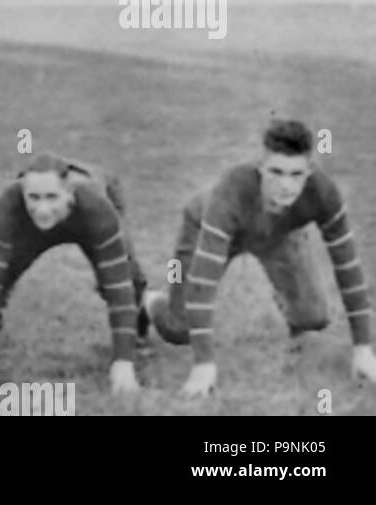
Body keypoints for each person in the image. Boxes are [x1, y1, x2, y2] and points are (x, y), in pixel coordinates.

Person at [144, 119, 376, 396]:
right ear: (260, 167)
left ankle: (290, 304)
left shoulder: (324, 193)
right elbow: (203, 282)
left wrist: (363, 348)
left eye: (296, 174)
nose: (285, 185)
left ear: (310, 170)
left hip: (279, 233)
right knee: (179, 329)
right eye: (276, 172)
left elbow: (348, 266)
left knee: (313, 318)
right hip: (208, 225)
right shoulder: (230, 191)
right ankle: (149, 300)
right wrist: (204, 364)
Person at [0, 153, 149, 394]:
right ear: (22, 193)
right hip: (32, 231)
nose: (43, 209)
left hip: (89, 214)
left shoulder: (97, 207)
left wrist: (123, 364)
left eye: (51, 197)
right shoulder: (3, 211)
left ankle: (143, 320)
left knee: (128, 281)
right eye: (33, 198)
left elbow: (120, 287)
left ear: (69, 194)